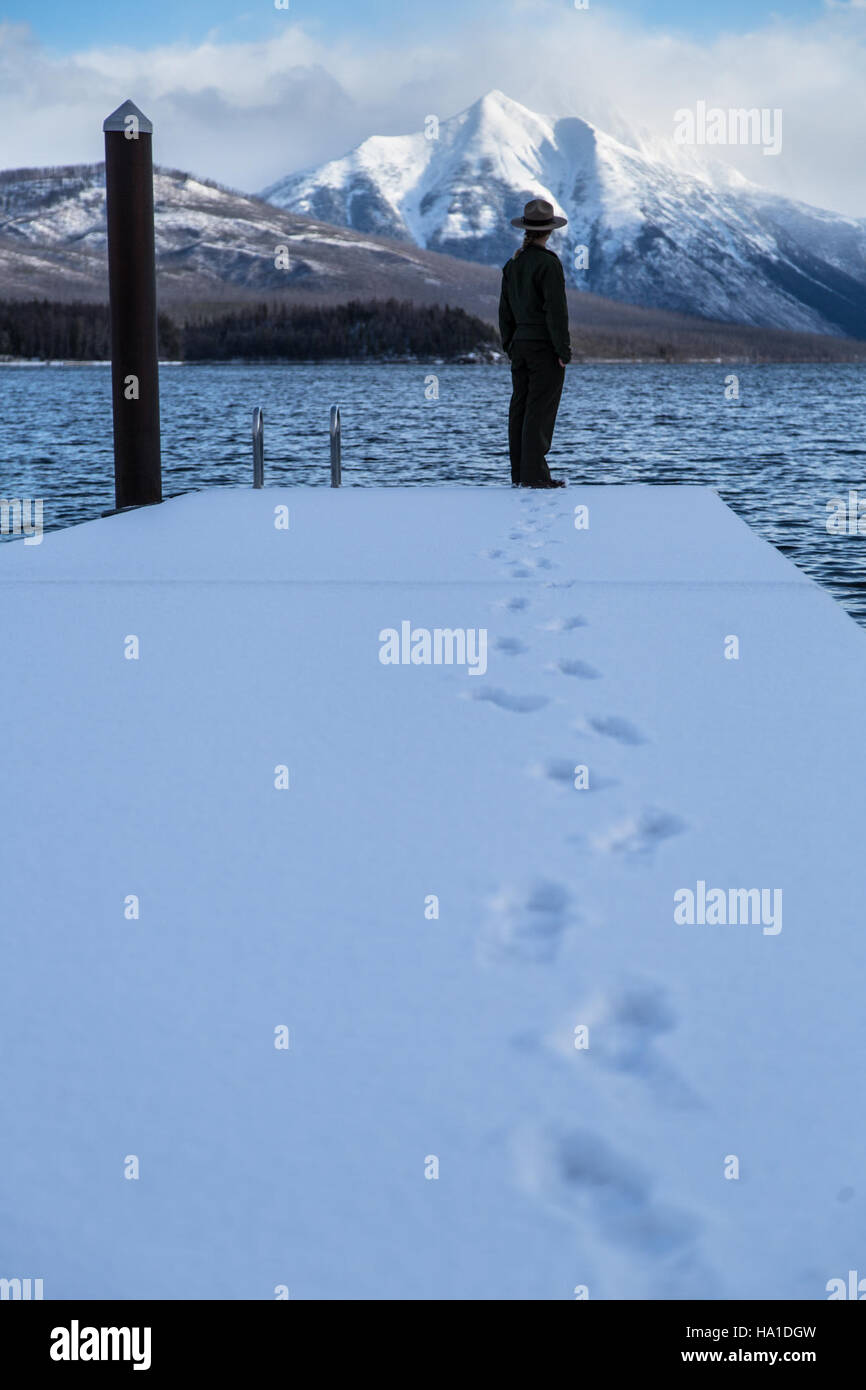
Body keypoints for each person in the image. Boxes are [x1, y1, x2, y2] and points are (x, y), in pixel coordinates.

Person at [498, 198, 571, 488]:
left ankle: (520, 476)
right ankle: (536, 478)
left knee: (520, 409)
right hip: (544, 348)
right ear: (549, 231)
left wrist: (509, 344)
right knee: (539, 412)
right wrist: (563, 350)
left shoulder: (512, 264)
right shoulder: (548, 264)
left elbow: (504, 311)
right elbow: (556, 312)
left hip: (520, 347)